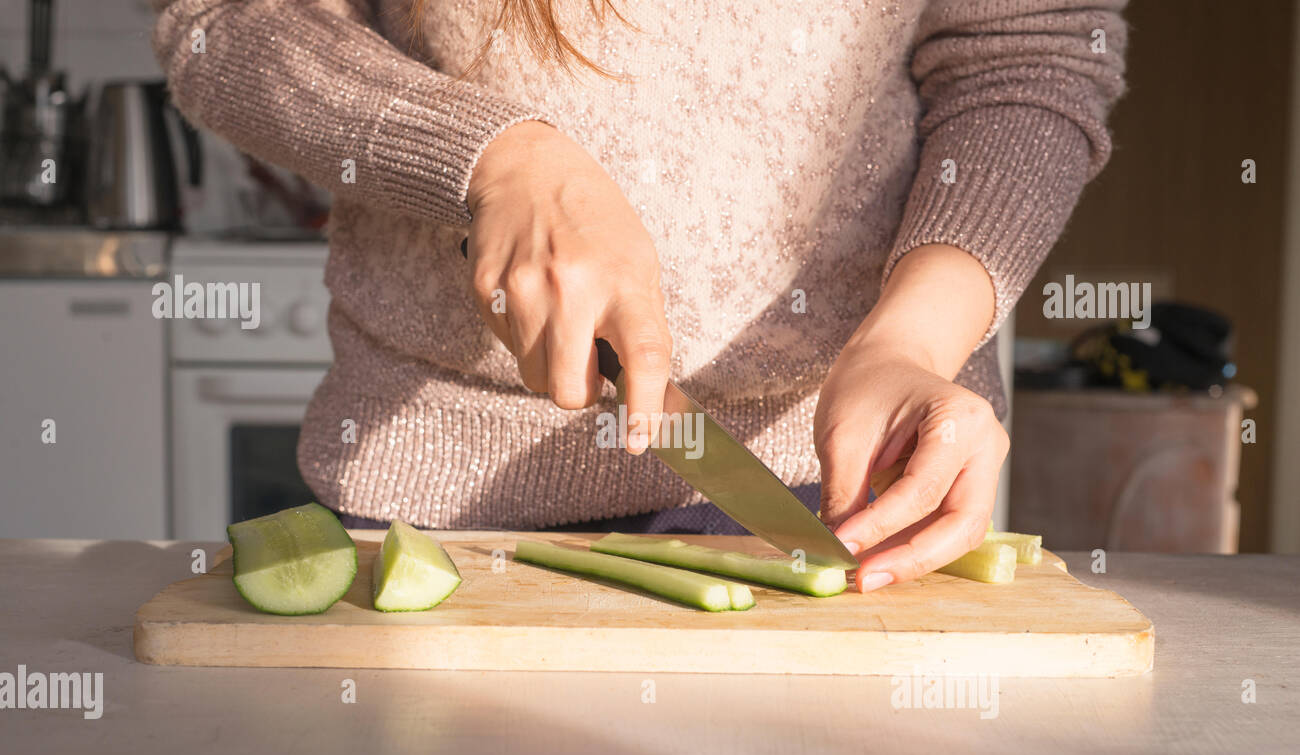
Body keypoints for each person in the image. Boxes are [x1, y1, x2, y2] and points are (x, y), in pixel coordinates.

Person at [152, 0, 1126, 591]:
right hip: (434, 512)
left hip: (852, 494)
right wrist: (492, 156)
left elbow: (1027, 56)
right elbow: (223, 25)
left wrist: (912, 342)